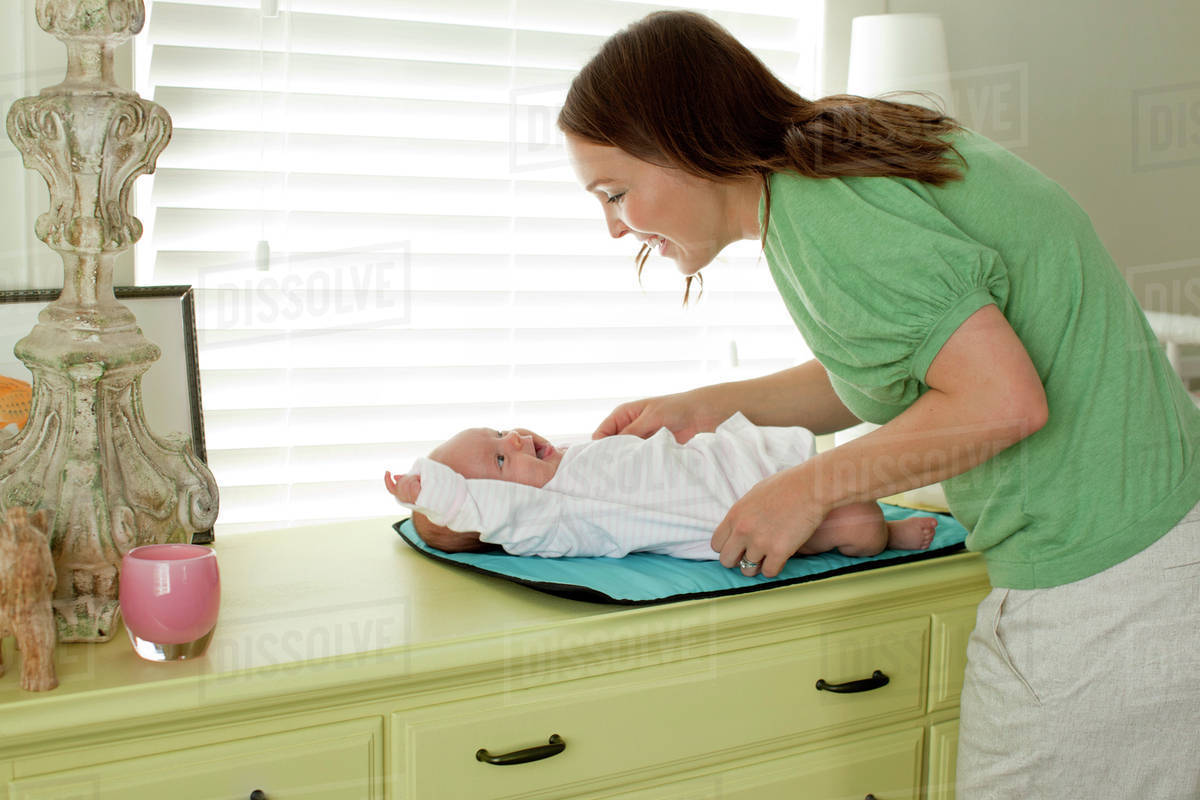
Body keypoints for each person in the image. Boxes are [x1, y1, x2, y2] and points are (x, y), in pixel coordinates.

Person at [555, 10, 1200, 799]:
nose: (615, 228)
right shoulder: (825, 170)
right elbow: (913, 359)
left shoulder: (826, 214)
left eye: (615, 193)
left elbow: (1001, 400)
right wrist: (711, 406)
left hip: (1110, 580)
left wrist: (808, 488)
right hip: (1149, 553)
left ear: (685, 139)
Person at [386, 412, 937, 560]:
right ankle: (888, 534)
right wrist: (432, 493)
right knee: (858, 522)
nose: (519, 438)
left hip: (728, 465)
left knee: (851, 464)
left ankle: (934, 444)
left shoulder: (571, 464)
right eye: (502, 457)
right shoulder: (555, 520)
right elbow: (487, 510)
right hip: (732, 512)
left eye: (503, 431)